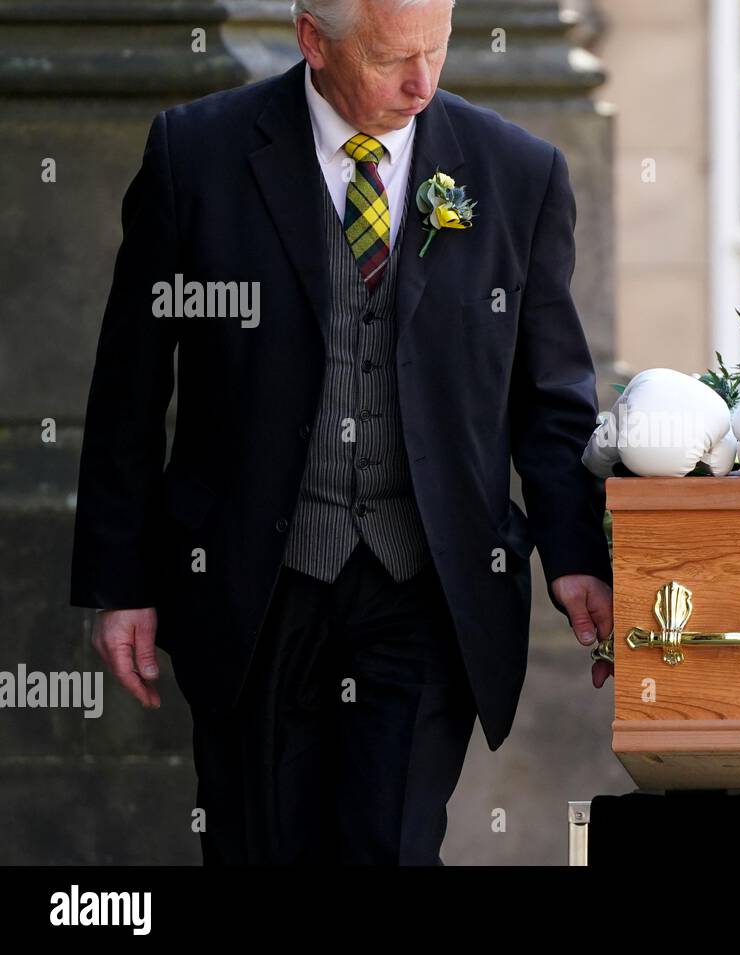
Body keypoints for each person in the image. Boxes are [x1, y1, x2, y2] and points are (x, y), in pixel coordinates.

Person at [68, 0, 613, 864]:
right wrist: (119, 577)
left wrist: (578, 554)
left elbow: (551, 396)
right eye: (393, 58)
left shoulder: (519, 174)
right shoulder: (195, 155)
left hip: (426, 581)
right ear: (312, 40)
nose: (423, 83)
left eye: (438, 49)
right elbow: (129, 384)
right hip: (253, 579)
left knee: (390, 847)